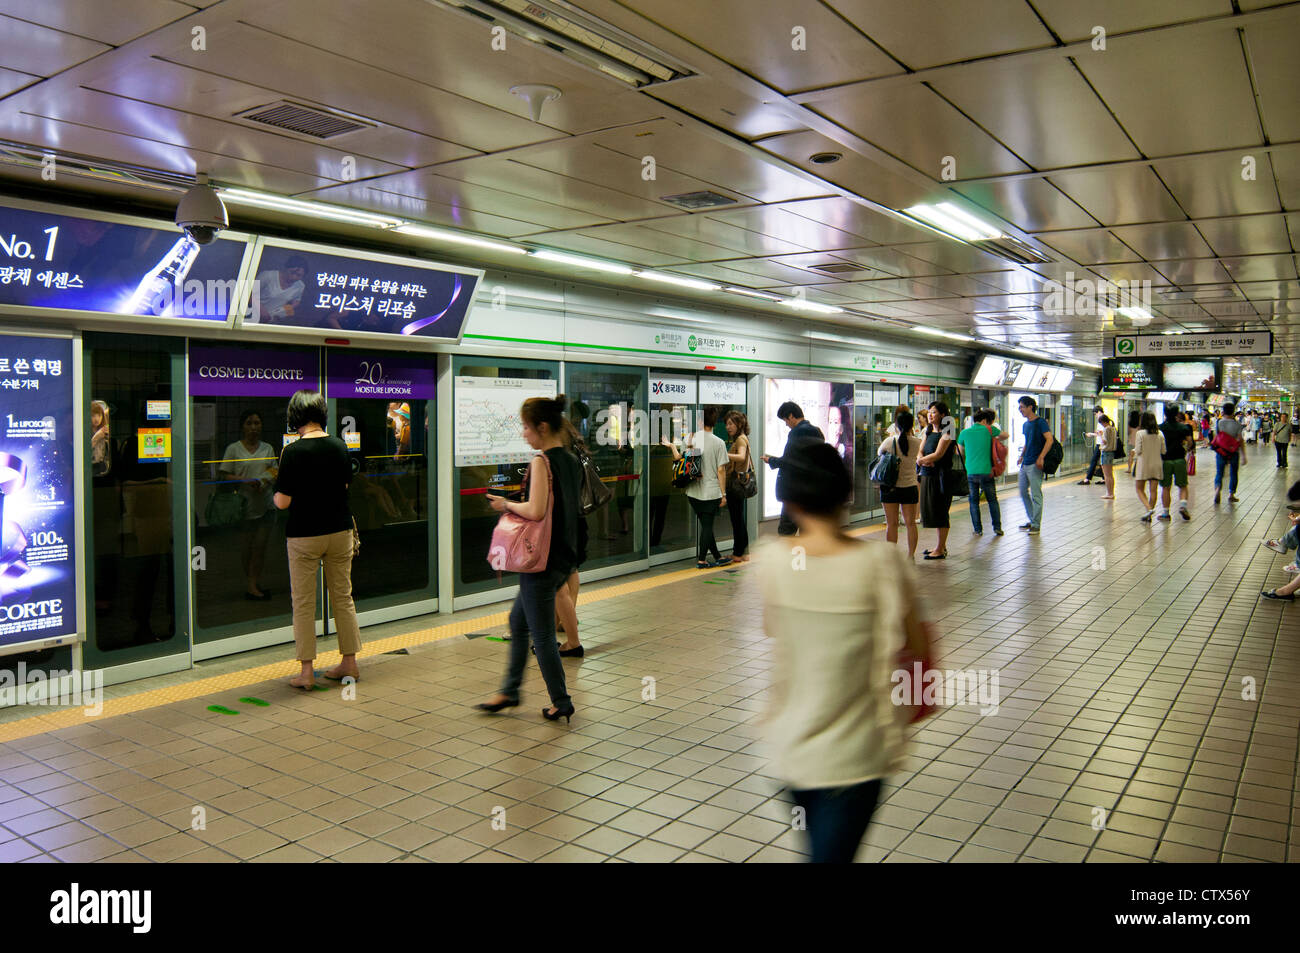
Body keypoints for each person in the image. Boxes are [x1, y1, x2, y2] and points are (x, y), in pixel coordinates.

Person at [758, 441, 933, 863]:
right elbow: (922, 656)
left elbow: (772, 629)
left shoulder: (774, 562)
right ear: (844, 496)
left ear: (790, 501)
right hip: (855, 758)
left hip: (788, 752)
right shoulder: (884, 564)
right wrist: (904, 714)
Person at [477, 395, 581, 723]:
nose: (524, 434)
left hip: (540, 558)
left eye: (525, 427)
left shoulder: (542, 462)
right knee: (517, 622)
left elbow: (536, 511)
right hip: (563, 554)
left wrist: (505, 505)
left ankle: (561, 701)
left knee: (542, 635)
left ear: (542, 427)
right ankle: (509, 690)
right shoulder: (570, 459)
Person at [273, 390, 361, 690]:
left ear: (295, 416)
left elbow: (283, 502)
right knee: (343, 597)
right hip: (339, 531)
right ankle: (349, 663)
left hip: (304, 535)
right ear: (322, 414)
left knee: (304, 603)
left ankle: (307, 672)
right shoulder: (339, 446)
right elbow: (346, 484)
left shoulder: (292, 452)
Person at [664, 405, 730, 569]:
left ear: (700, 421)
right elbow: (721, 470)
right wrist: (724, 494)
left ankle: (717, 557)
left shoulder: (690, 439)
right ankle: (701, 560)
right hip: (710, 492)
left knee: (706, 525)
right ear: (714, 422)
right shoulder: (719, 443)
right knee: (707, 526)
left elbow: (679, 459)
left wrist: (671, 446)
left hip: (693, 492)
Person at [220, 410, 277, 600]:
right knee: (247, 547)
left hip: (266, 505)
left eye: (257, 423)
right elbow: (224, 474)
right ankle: (251, 580)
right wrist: (245, 481)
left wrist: (264, 482)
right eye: (249, 423)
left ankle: (253, 584)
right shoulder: (233, 449)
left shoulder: (267, 448)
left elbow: (274, 470)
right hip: (243, 507)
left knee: (260, 546)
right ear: (242, 427)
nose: (254, 427)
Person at [553, 416, 590, 658]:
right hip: (578, 520)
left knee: (558, 580)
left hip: (565, 523)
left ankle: (569, 630)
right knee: (572, 570)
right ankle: (566, 620)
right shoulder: (578, 453)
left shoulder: (561, 459)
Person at [762, 401, 824, 536]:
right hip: (812, 489)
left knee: (786, 531)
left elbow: (790, 461)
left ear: (791, 416)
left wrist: (771, 460)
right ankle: (805, 556)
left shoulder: (797, 432)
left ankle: (788, 557)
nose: (786, 424)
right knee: (807, 531)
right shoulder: (817, 431)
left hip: (795, 491)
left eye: (785, 420)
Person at [956, 408, 1007, 536]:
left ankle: (977, 530)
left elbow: (959, 452)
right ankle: (997, 527)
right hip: (986, 471)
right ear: (985, 421)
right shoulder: (989, 430)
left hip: (971, 472)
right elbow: (1005, 435)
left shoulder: (964, 433)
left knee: (973, 501)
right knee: (992, 500)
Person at [878, 409, 920, 558]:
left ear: (896, 425)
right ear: (911, 425)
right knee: (911, 524)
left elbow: (879, 454)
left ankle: (892, 557)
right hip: (910, 487)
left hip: (890, 488)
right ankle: (911, 556)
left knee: (892, 524)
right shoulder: (916, 442)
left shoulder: (889, 441)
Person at [916, 401, 955, 559]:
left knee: (940, 512)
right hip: (927, 474)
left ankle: (940, 549)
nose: (930, 415)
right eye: (929, 412)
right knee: (932, 511)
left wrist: (922, 460)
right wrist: (922, 459)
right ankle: (940, 546)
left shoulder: (948, 432)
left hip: (940, 477)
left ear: (943, 415)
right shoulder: (929, 430)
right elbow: (921, 449)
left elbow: (938, 454)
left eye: (933, 412)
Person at [1016, 396, 1053, 535]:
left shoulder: (1040, 422)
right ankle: (1032, 519)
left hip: (1035, 464)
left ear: (1030, 407)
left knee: (1036, 494)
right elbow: (1028, 441)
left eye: (1022, 407)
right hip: (1025, 462)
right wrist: (1021, 456)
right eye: (1020, 407)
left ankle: (1036, 524)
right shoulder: (1026, 424)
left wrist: (1041, 457)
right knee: (1022, 491)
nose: (1020, 410)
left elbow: (1049, 440)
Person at [723, 410, 753, 563]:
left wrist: (723, 454)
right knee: (739, 519)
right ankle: (743, 551)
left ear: (739, 424)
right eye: (727, 424)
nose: (728, 427)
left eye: (731, 424)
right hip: (738, 483)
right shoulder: (741, 438)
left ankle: (738, 553)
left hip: (735, 484)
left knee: (737, 520)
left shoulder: (740, 439)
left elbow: (741, 457)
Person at [1156, 404, 1193, 521]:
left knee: (1166, 487)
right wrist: (1185, 449)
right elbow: (1190, 442)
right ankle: (1182, 506)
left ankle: (1166, 514)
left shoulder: (1160, 427)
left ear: (1165, 414)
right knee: (1183, 485)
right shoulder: (1183, 428)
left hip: (1165, 460)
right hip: (1179, 460)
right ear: (1177, 413)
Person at [1132, 412, 1165, 522]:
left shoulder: (1140, 433)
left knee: (1139, 489)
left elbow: (1138, 450)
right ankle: (1149, 514)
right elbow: (1163, 451)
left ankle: (1149, 509)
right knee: (1153, 491)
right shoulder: (1160, 433)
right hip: (1157, 464)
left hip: (1143, 464)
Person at [255, 255, 307, 323]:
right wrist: (261, 310)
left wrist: (282, 313)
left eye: (299, 275)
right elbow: (248, 294)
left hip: (271, 320)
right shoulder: (267, 275)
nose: (294, 277)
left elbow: (296, 301)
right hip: (253, 315)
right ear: (286, 268)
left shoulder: (300, 285)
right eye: (292, 272)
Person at [1213, 401, 1246, 505]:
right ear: (1233, 412)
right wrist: (1244, 455)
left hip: (1221, 451)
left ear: (1223, 411)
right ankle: (1231, 494)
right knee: (1233, 473)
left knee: (1219, 472)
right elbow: (1240, 440)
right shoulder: (1237, 425)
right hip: (1233, 451)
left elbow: (1217, 435)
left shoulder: (1219, 422)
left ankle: (1218, 488)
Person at [1078, 407, 1105, 485]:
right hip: (1101, 444)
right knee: (1102, 461)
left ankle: (1087, 479)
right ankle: (1104, 478)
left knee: (1094, 460)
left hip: (1101, 444)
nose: (1095, 416)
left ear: (1099, 412)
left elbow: (1101, 433)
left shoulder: (1101, 420)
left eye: (1095, 414)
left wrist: (1091, 434)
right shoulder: (1105, 420)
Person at [1096, 414, 1117, 500]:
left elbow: (1104, 441)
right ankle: (1111, 493)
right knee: (1110, 475)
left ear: (1103, 422)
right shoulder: (1113, 429)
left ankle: (1109, 493)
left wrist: (1100, 435)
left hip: (1106, 452)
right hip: (1111, 452)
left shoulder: (1106, 429)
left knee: (1107, 475)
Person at [90, 399, 112, 478]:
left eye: (99, 415)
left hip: (103, 465)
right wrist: (96, 437)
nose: (97, 419)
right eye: (93, 416)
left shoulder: (104, 430)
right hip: (91, 466)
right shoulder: (85, 432)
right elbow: (83, 453)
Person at [1126, 410, 1141, 476]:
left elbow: (1128, 432)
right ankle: (1137, 468)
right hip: (1138, 441)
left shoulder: (1130, 424)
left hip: (1131, 441)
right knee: (1138, 456)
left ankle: (1129, 469)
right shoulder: (1140, 424)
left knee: (1130, 456)